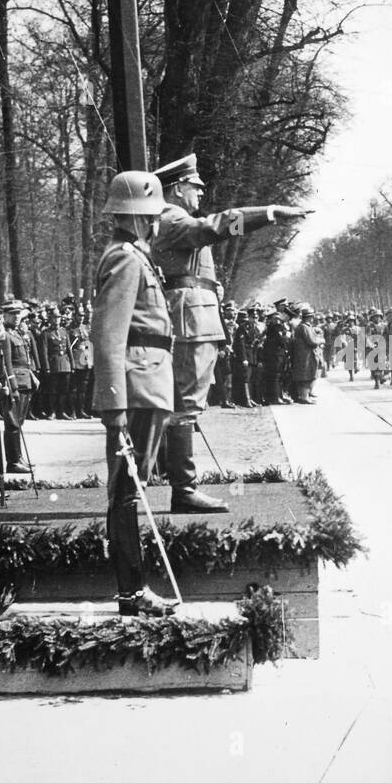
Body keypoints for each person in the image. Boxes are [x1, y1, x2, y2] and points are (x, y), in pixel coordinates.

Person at [149, 153, 309, 513]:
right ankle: (183, 489)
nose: (200, 194)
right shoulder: (172, 217)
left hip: (196, 319)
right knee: (184, 407)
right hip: (190, 321)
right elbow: (216, 227)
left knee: (185, 406)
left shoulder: (176, 219)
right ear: (177, 189)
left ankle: (177, 482)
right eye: (195, 187)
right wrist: (268, 214)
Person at [91, 170, 179, 616]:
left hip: (149, 382)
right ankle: (131, 592)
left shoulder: (135, 256)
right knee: (127, 493)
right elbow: (108, 334)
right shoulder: (125, 259)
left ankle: (133, 589)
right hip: (136, 386)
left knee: (133, 488)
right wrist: (114, 404)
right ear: (145, 216)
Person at [0, 300, 37, 474]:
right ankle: (13, 462)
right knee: (12, 424)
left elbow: (25, 361)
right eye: (12, 314)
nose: (16, 317)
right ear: (4, 315)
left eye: (18, 313)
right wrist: (12, 386)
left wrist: (32, 377)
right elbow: (6, 364)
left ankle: (19, 458)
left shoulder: (17, 333)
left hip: (25, 382)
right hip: (15, 384)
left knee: (18, 423)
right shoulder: (5, 336)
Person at [291, 303, 323, 403]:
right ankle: (304, 397)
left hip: (306, 355)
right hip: (305, 355)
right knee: (306, 375)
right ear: (308, 318)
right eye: (311, 317)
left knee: (307, 374)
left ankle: (305, 396)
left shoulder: (304, 326)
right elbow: (311, 341)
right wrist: (320, 340)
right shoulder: (304, 327)